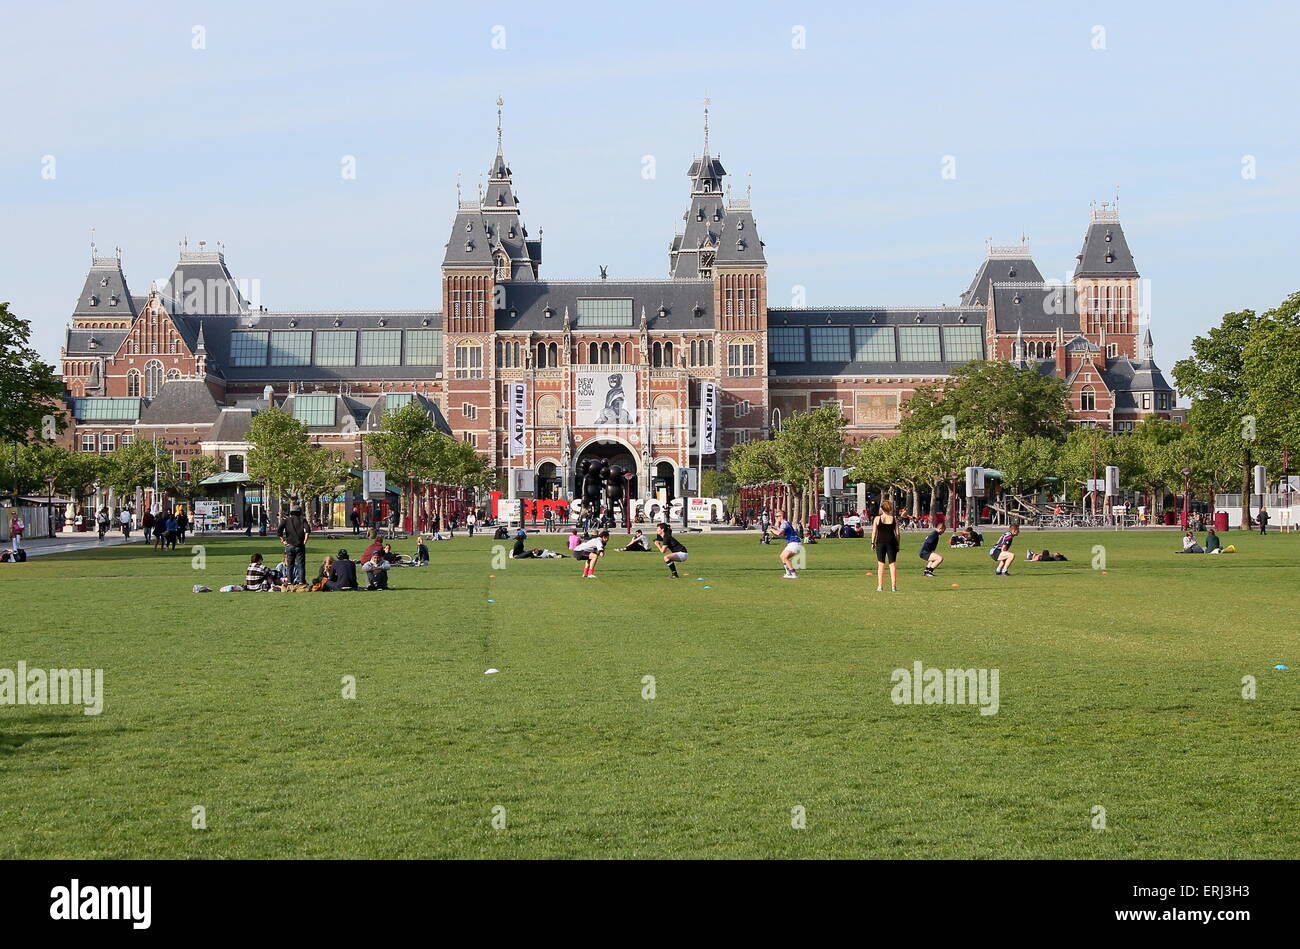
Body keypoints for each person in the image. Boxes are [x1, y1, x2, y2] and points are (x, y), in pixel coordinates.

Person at [871, 500, 900, 592]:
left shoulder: (877, 519)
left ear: (882, 508)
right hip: (891, 542)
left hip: (880, 542)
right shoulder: (894, 519)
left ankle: (880, 586)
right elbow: (898, 533)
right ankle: (893, 586)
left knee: (881, 564)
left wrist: (872, 543)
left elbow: (874, 532)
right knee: (892, 564)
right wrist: (898, 544)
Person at [277, 505, 310, 585]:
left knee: (290, 565)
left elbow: (279, 530)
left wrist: (283, 540)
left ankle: (290, 582)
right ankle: (301, 581)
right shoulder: (302, 520)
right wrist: (305, 540)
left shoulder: (286, 520)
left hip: (289, 545)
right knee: (301, 565)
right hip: (299, 545)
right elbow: (308, 530)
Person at [767, 510, 803, 580]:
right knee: (782, 556)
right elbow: (780, 535)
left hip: (794, 542)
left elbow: (779, 533)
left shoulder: (784, 524)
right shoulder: (784, 524)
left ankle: (793, 574)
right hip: (792, 543)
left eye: (777, 516)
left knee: (785, 558)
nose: (776, 518)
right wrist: (774, 531)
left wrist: (772, 530)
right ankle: (788, 573)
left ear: (781, 516)